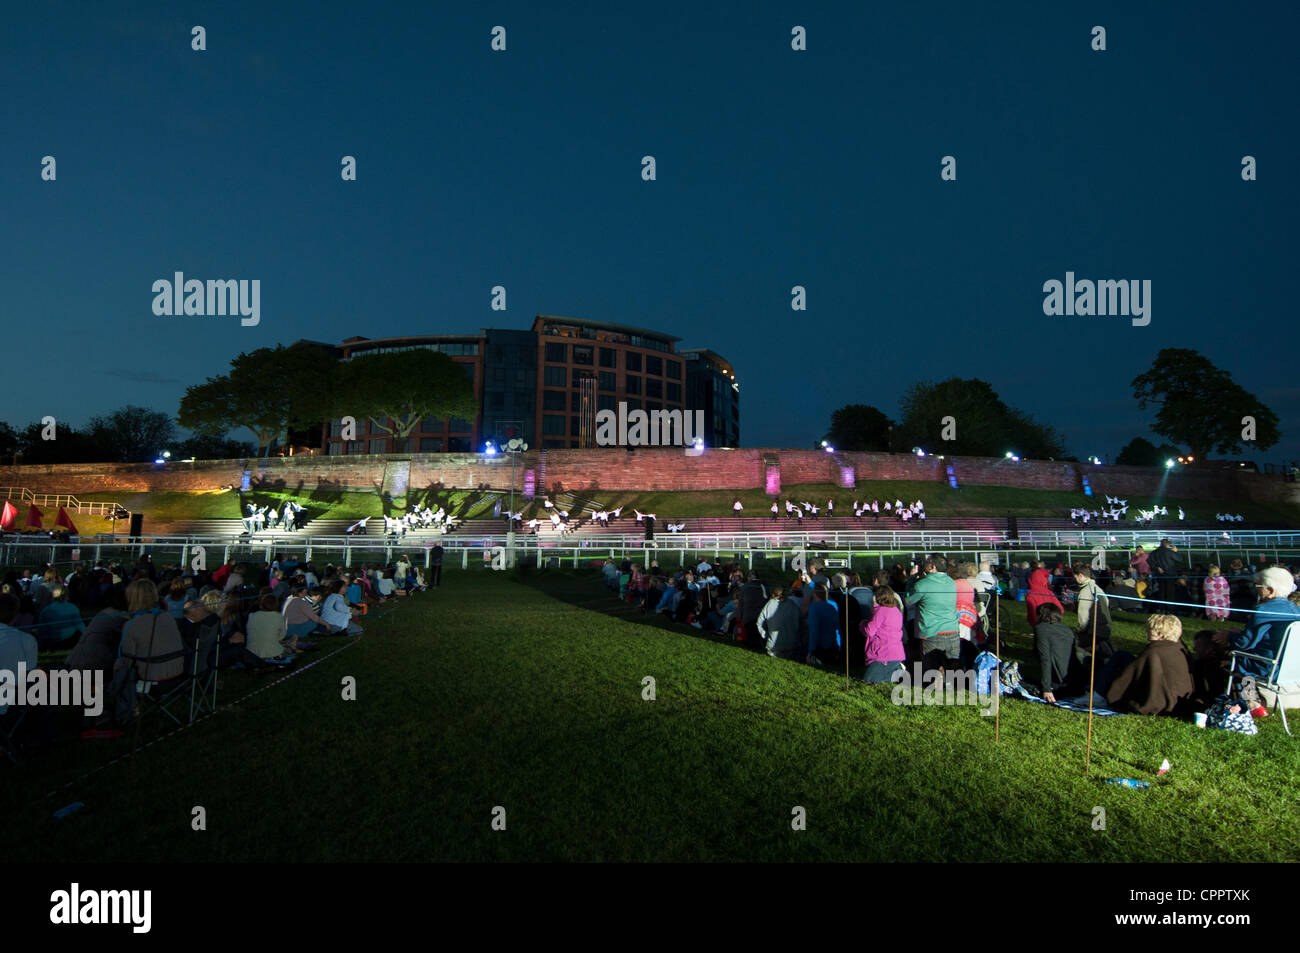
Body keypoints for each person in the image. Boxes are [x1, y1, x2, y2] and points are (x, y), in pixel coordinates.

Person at [1214, 566, 1300, 708]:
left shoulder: (1263, 610)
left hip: (1268, 666)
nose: (1256, 590)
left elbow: (1244, 644)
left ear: (1271, 591)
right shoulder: (1296, 610)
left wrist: (1228, 635)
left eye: (1258, 586)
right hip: (1291, 667)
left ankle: (1251, 701)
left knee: (1238, 657)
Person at [1106, 614, 1195, 716]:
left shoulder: (1153, 651)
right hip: (1180, 701)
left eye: (1149, 629)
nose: (1146, 631)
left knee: (1120, 656)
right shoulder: (1179, 648)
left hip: (1161, 701)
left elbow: (1129, 676)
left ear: (1159, 634)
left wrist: (1114, 695)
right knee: (1123, 656)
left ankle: (1097, 694)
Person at [120, 579, 185, 683]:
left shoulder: (131, 625)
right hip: (177, 672)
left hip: (151, 677)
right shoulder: (168, 617)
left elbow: (127, 661)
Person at [905, 559, 960, 671]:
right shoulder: (951, 581)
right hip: (952, 629)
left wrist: (911, 579)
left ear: (933, 567)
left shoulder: (922, 584)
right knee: (952, 665)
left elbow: (908, 600)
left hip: (931, 631)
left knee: (931, 667)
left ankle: (933, 684)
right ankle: (952, 684)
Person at [1035, 604, 1078, 703]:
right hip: (1074, 681)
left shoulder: (1041, 629)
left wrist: (1046, 689)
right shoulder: (1068, 630)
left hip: (1057, 684)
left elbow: (1045, 658)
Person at [861, 586, 905, 683]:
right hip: (896, 652)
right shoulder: (896, 611)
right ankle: (897, 670)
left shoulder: (880, 611)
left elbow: (869, 631)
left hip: (883, 653)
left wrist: (863, 624)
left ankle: (898, 672)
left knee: (869, 681)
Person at [1071, 565, 1114, 660]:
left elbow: (1083, 616)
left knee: (1082, 653)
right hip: (1105, 627)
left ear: (1081, 576)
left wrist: (1079, 630)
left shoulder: (1086, 592)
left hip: (1092, 630)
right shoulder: (1097, 588)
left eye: (1075, 577)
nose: (1075, 579)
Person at [756, 588, 801, 660]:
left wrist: (765, 635)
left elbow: (759, 623)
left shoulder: (769, 604)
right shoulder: (792, 605)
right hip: (791, 644)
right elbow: (799, 622)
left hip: (773, 645)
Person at [35, 584, 85, 648]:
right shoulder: (72, 607)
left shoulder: (46, 610)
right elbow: (80, 625)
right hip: (68, 640)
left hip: (50, 641)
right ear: (67, 594)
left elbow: (42, 629)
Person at [806, 585, 841, 667]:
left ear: (814, 594)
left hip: (821, 648)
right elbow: (838, 627)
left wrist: (810, 652)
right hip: (834, 646)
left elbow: (814, 630)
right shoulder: (834, 605)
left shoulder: (814, 607)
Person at [1025, 566, 1063, 630]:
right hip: (1053, 621)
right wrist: (1056, 618)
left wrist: (1033, 623)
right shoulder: (1049, 592)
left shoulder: (1031, 594)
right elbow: (1060, 608)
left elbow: (1032, 611)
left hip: (1040, 623)